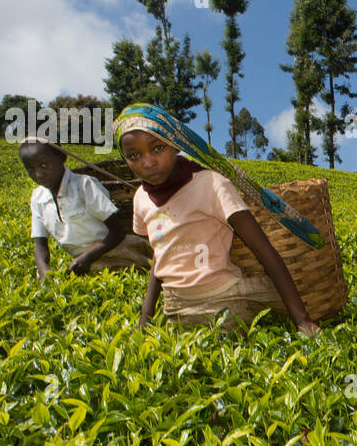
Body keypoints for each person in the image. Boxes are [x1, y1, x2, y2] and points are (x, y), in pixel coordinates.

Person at [114, 105, 320, 336]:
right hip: (176, 307)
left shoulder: (211, 183)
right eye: (134, 156)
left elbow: (262, 248)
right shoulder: (141, 198)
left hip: (224, 298)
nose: (148, 162)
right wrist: (145, 318)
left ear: (175, 145)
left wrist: (302, 319)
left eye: (158, 148)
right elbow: (159, 255)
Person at [21, 137, 152, 279]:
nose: (38, 174)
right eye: (30, 169)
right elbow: (40, 244)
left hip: (119, 249)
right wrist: (44, 270)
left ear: (62, 158)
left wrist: (88, 257)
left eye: (44, 165)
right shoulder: (38, 197)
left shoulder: (85, 186)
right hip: (83, 260)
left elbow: (118, 231)